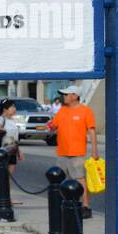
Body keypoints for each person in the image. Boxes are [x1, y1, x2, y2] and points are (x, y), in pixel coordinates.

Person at [46, 84, 99, 217]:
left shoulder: (85, 111)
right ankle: (67, 205)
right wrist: (49, 126)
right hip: (62, 152)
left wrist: (94, 150)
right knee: (60, 179)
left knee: (80, 179)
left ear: (75, 96)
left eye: (66, 94)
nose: (64, 97)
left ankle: (86, 207)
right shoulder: (62, 110)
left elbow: (91, 131)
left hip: (77, 152)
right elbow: (54, 125)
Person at [0, 98, 22, 195]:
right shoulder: (1, 119)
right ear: (5, 109)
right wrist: (2, 130)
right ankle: (3, 196)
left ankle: (8, 196)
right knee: (3, 175)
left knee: (9, 176)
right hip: (4, 151)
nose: (14, 109)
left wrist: (19, 152)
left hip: (13, 150)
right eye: (12, 107)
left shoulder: (12, 120)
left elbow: (15, 138)